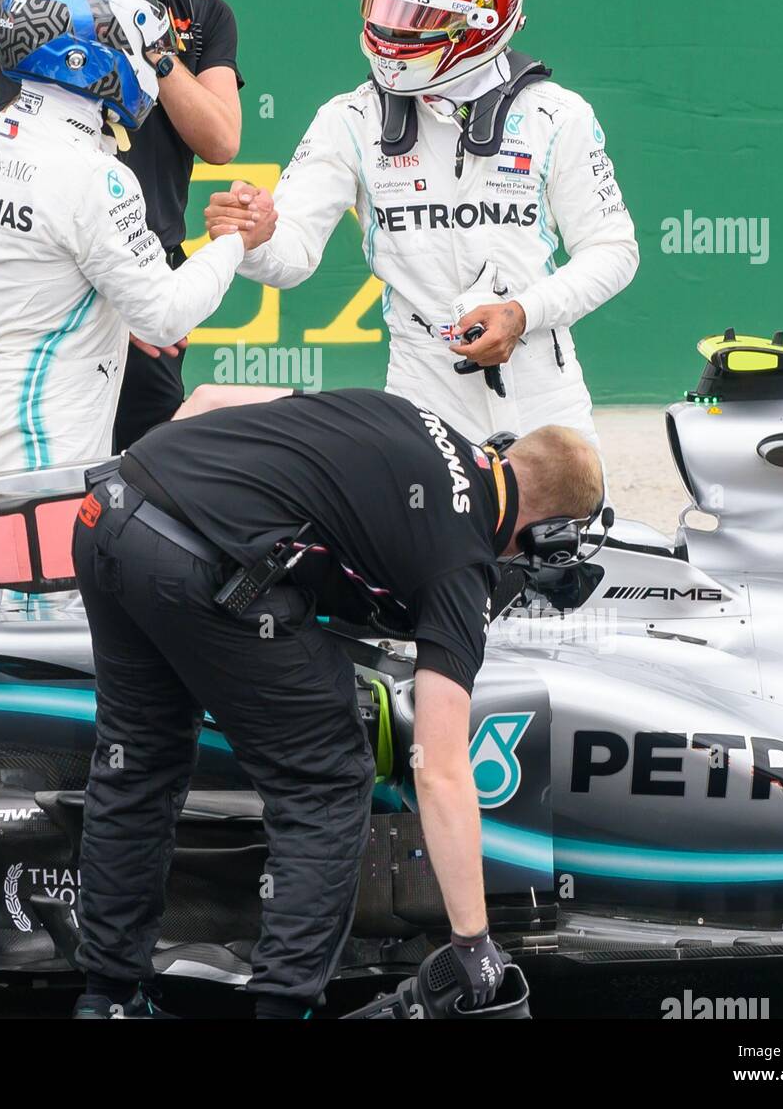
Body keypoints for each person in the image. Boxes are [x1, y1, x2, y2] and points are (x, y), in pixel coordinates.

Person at [68, 389, 604, 1018]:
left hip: (110, 510)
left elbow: (207, 399)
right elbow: (441, 768)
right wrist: (472, 938)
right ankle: (282, 1007)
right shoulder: (460, 564)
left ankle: (107, 999)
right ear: (547, 534)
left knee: (138, 763)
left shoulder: (405, 410)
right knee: (327, 778)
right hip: (196, 566)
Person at [204, 0, 638, 447]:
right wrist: (254, 237)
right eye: (388, 4)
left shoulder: (556, 115)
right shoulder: (349, 118)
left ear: (486, 16)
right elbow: (291, 259)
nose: (396, 28)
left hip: (545, 393)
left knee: (570, 534)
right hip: (419, 395)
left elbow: (614, 249)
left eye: (420, 15)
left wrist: (523, 313)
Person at [0, 0, 272, 477]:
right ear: (95, 53)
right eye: (146, 50)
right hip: (54, 453)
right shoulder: (97, 177)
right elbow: (165, 316)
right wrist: (237, 241)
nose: (154, 67)